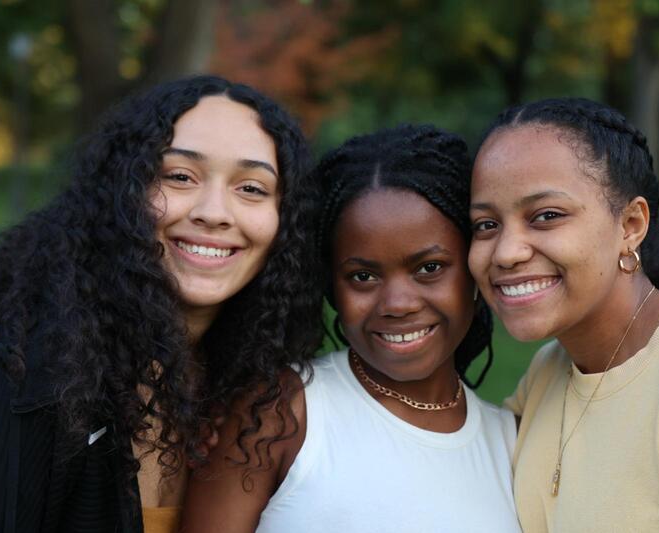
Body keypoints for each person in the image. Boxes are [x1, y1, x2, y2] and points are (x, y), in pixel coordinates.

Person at [0, 75, 323, 533]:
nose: (213, 212)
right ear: (120, 195)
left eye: (251, 188)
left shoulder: (247, 393)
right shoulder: (25, 382)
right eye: (179, 176)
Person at [182, 124, 521, 533]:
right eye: (362, 277)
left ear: (472, 267)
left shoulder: (510, 443)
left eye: (429, 268)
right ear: (331, 287)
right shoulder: (276, 414)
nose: (398, 303)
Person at [468, 97, 659, 532]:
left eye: (547, 216)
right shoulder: (550, 371)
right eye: (485, 225)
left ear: (630, 225)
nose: (507, 252)